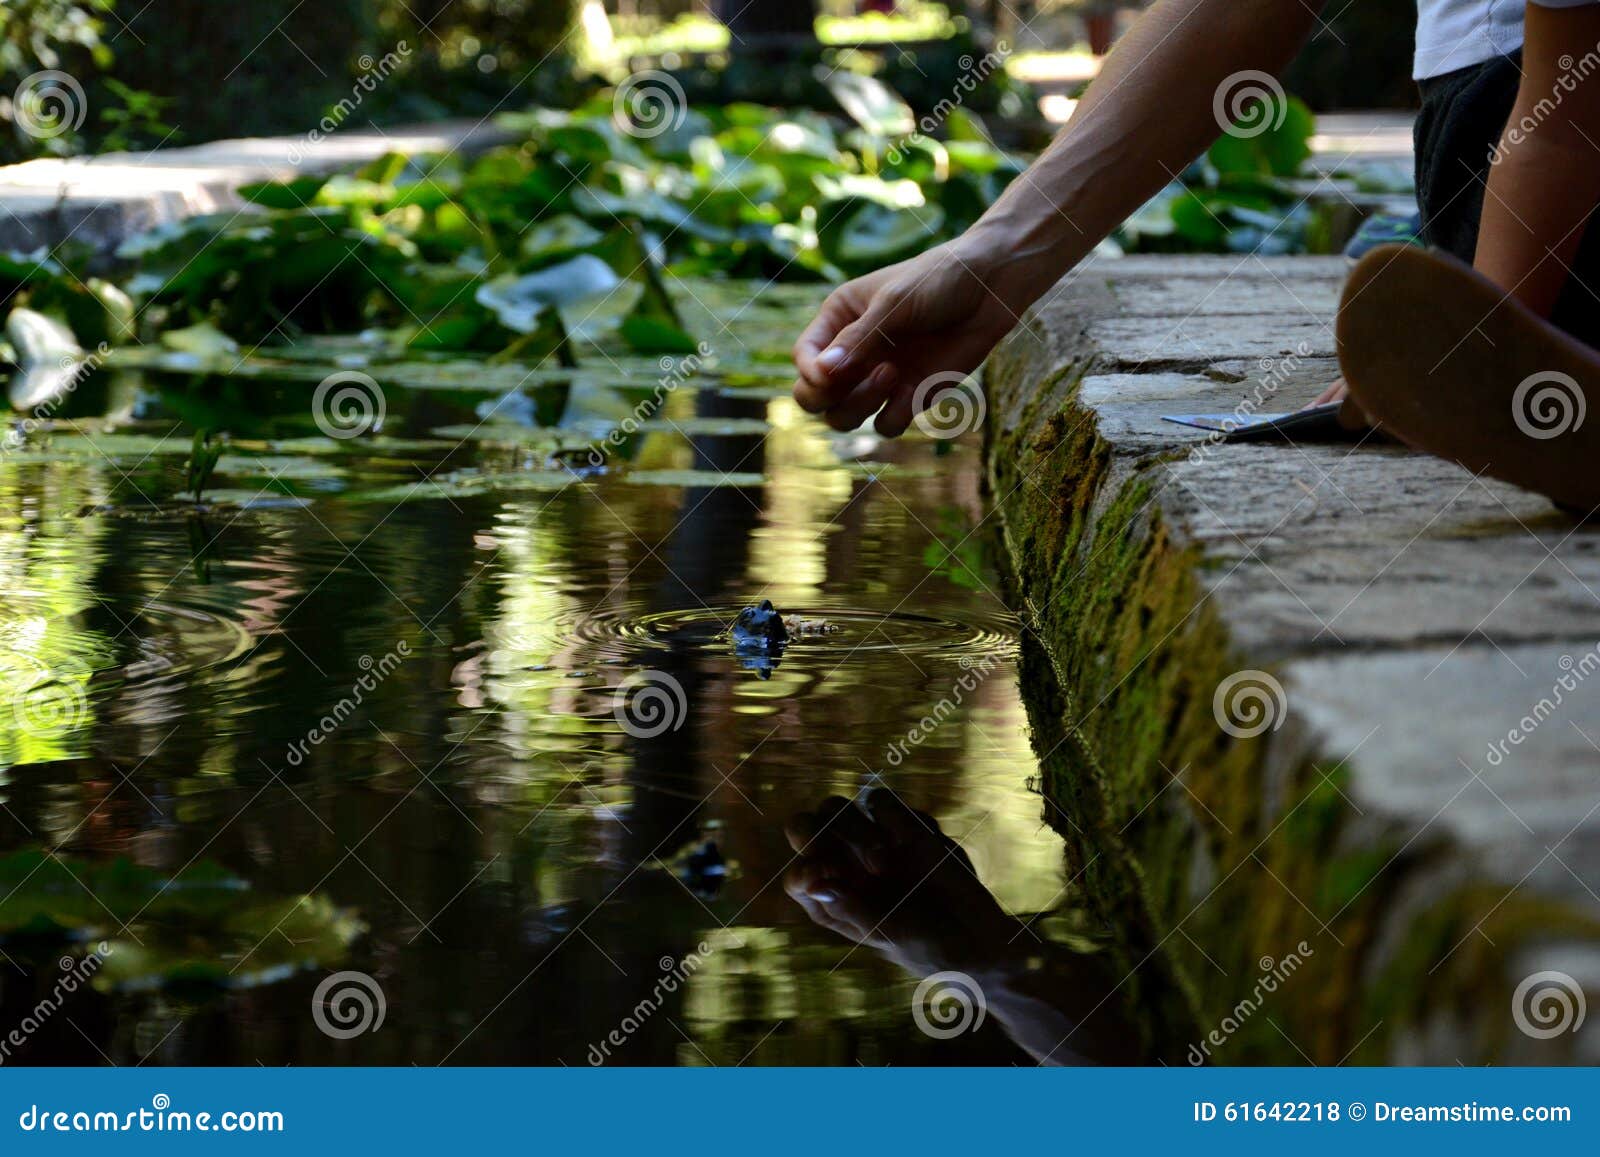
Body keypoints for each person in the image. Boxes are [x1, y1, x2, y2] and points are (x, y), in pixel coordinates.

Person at [791, 1, 1600, 513]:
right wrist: (995, 258)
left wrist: (1477, 350)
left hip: (1522, 146)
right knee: (1378, 250)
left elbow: (1564, 117)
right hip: (1489, 157)